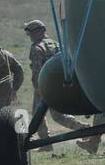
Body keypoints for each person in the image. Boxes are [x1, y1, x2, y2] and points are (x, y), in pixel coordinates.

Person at [22, 20, 88, 149]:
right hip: (60, 84)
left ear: (37, 32)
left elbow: (37, 71)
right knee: (58, 115)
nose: (30, 36)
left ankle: (46, 143)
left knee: (38, 115)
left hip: (44, 85)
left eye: (30, 33)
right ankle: (81, 127)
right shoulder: (57, 45)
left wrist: (37, 88)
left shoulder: (37, 48)